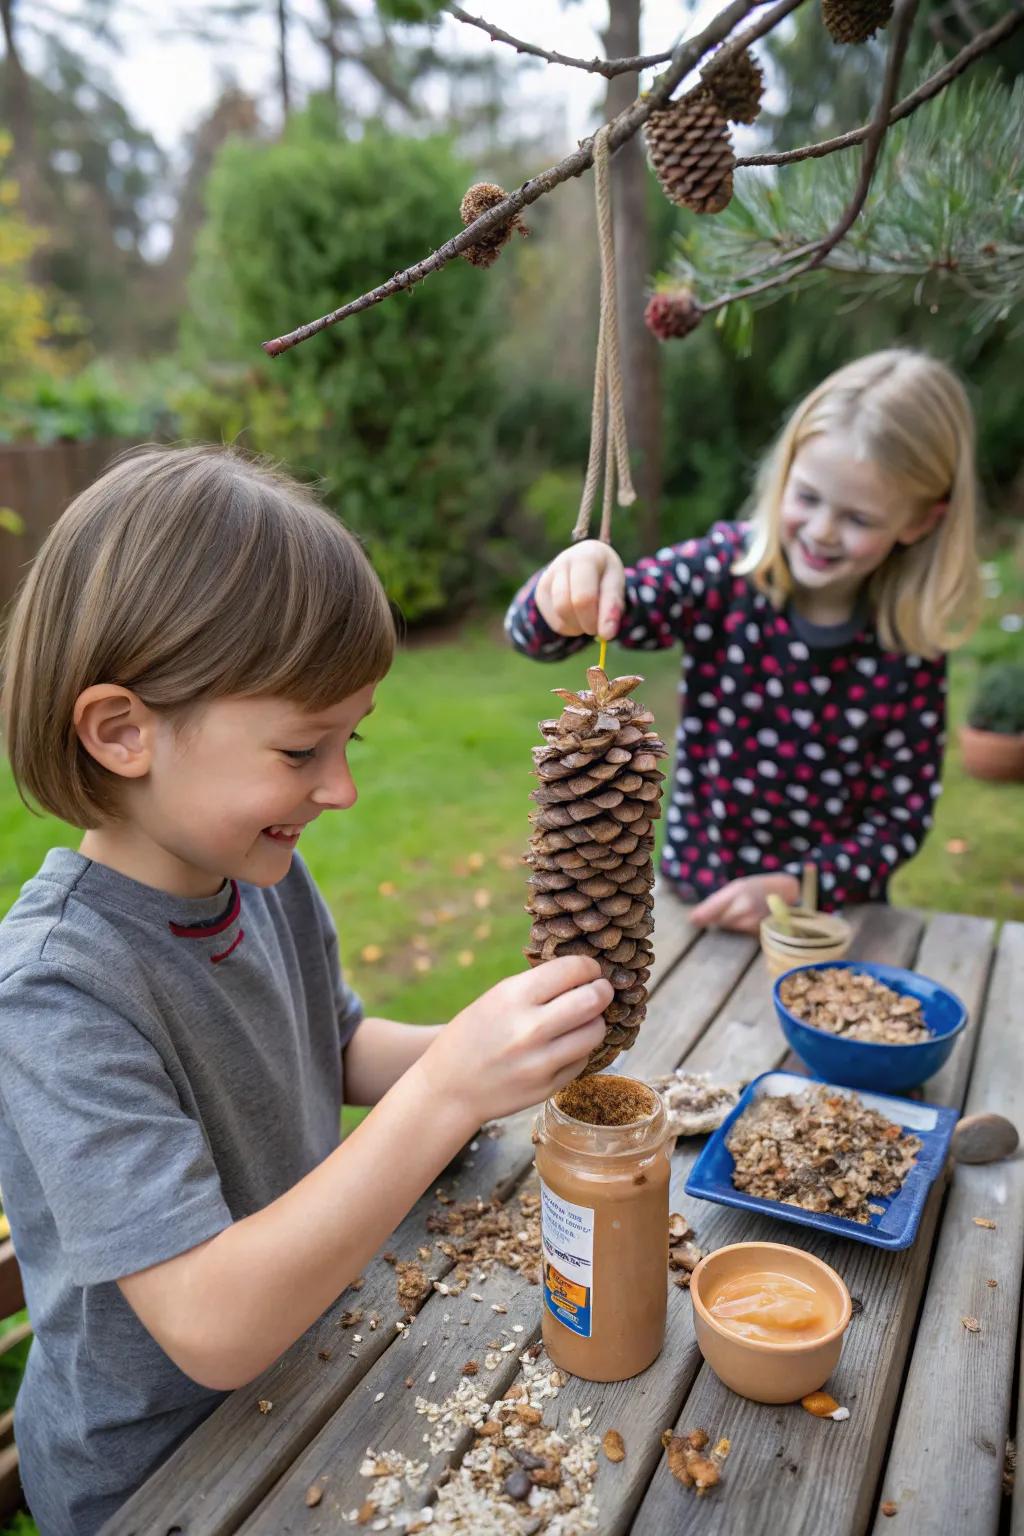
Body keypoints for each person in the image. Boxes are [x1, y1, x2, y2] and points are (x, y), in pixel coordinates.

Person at [0, 445, 612, 1536]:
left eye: (351, 738)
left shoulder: (254, 871)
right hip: (162, 1477)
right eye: (300, 749)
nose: (341, 788)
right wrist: (446, 1098)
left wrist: (494, 1049)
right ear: (122, 730)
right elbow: (209, 1324)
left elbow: (334, 1051)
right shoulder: (57, 995)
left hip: (311, 1371)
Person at [506, 349, 981, 931]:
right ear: (784, 474)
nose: (823, 530)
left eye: (858, 519)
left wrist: (802, 885)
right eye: (807, 496)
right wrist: (572, 580)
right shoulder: (720, 573)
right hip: (693, 909)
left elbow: (899, 820)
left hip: (829, 927)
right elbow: (535, 635)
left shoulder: (912, 647)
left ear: (920, 521)